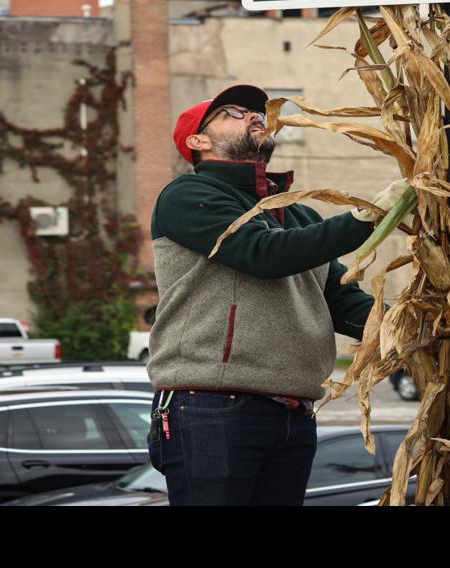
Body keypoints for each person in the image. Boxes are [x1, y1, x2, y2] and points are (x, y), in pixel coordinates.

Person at [145, 84, 405, 505]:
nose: (255, 116)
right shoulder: (189, 196)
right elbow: (262, 254)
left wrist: (409, 322)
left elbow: (338, 300)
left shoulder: (297, 212)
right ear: (199, 141)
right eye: (232, 112)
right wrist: (365, 218)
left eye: (258, 112)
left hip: (293, 413)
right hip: (211, 407)